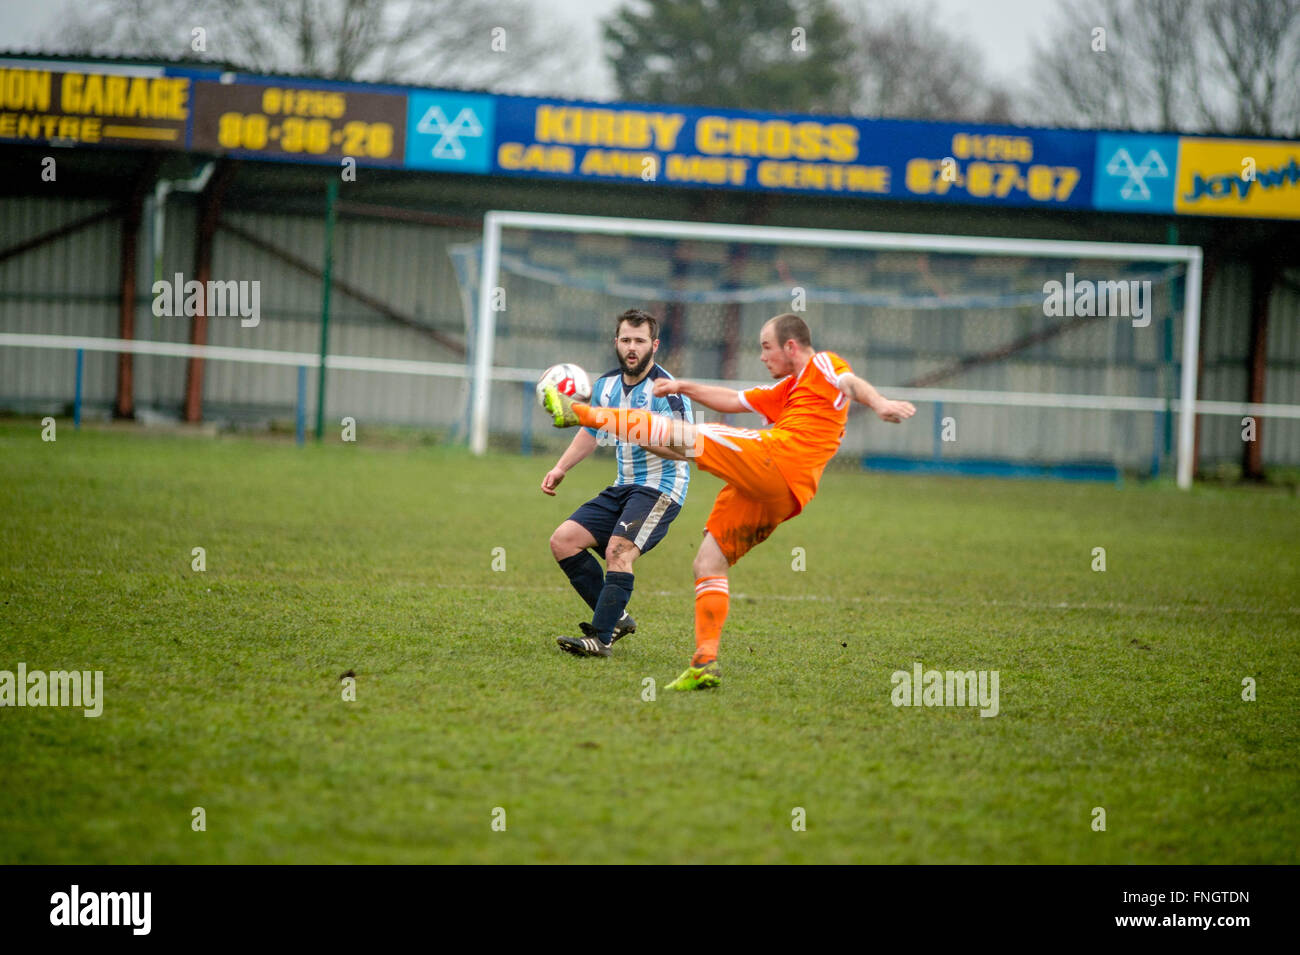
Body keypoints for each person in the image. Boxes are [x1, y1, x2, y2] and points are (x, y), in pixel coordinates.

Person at [543, 312, 916, 688]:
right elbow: (735, 399)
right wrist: (686, 387)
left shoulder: (822, 364)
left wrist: (880, 402)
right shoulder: (788, 389)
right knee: (708, 561)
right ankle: (704, 663)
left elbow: (849, 382)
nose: (762, 356)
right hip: (783, 495)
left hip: (778, 459)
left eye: (766, 347)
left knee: (692, 436)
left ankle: (578, 411)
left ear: (791, 346)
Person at [542, 309, 693, 658]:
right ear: (616, 342)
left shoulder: (667, 392)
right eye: (626, 339)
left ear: (654, 345)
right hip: (623, 485)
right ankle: (617, 617)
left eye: (639, 341)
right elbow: (591, 430)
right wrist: (561, 467)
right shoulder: (606, 386)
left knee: (618, 551)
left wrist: (639, 434)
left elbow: (688, 449)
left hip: (661, 488)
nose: (631, 347)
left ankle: (601, 637)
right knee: (564, 541)